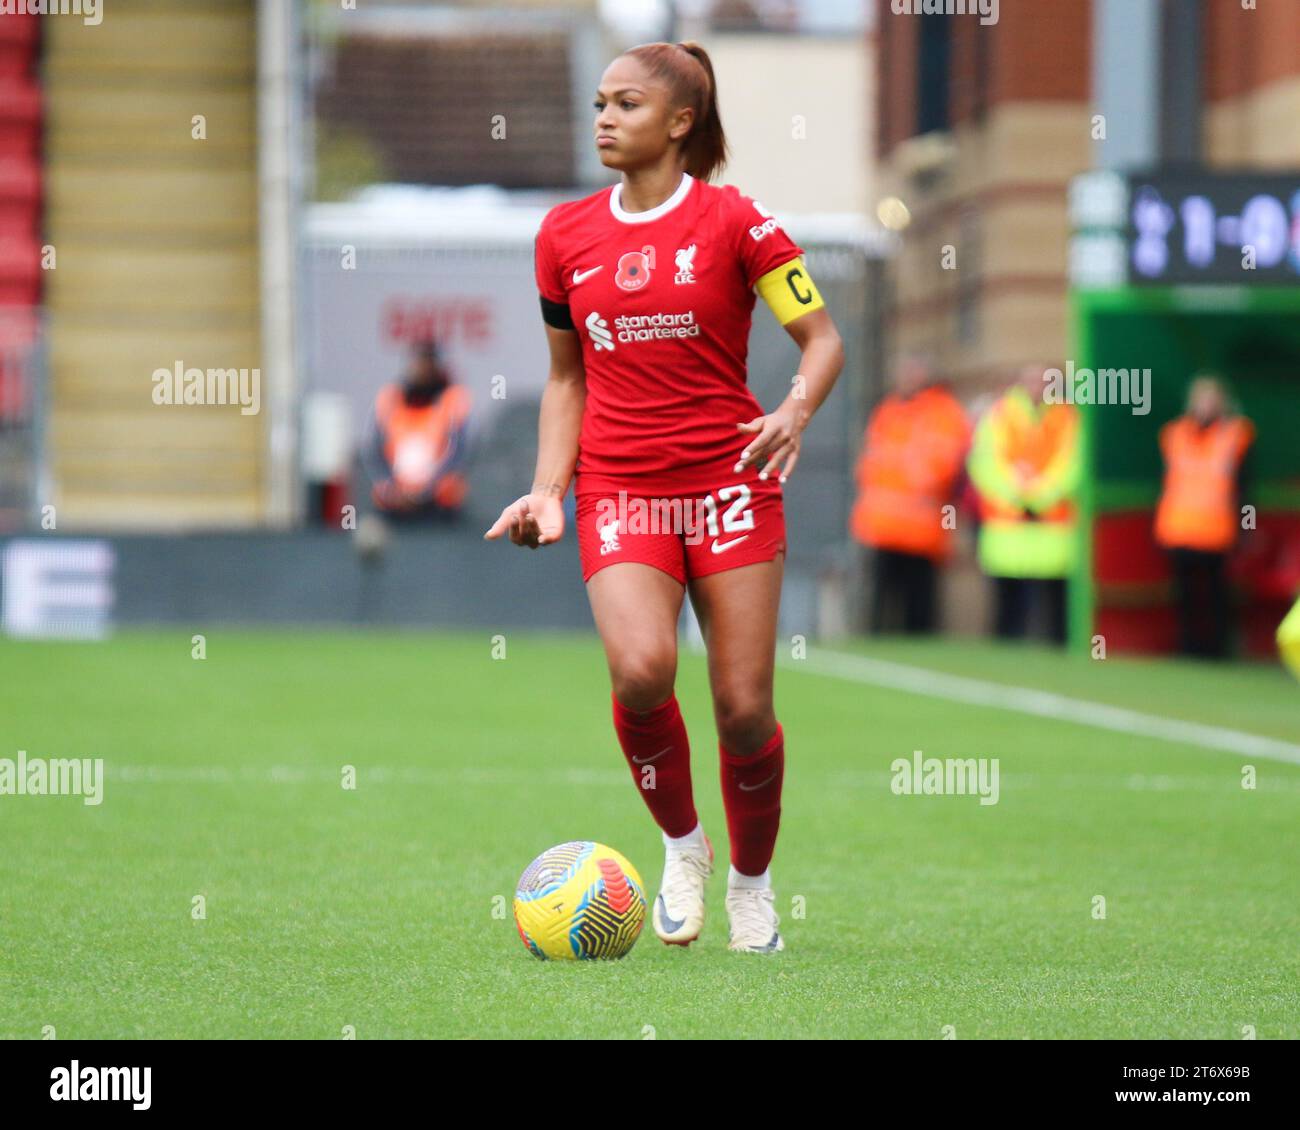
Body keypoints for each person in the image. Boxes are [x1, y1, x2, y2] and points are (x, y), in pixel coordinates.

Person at [485, 41, 844, 953]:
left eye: (628, 104)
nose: (604, 118)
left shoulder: (736, 222)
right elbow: (567, 380)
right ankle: (684, 849)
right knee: (643, 671)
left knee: (743, 708)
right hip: (621, 489)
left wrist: (796, 409)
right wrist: (547, 491)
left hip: (731, 486)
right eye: (601, 102)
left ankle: (753, 889)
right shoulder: (564, 235)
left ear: (680, 122)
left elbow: (824, 340)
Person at [849, 354, 970, 633]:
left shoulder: (943, 412)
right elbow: (871, 458)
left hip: (920, 523)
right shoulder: (888, 410)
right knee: (882, 597)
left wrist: (917, 479)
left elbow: (944, 462)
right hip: (881, 521)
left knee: (919, 598)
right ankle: (879, 636)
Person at [967, 364, 1081, 644]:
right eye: (1031, 381)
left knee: (1055, 601)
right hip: (1008, 525)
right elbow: (984, 462)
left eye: (1042, 381)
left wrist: (1040, 494)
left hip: (1052, 527)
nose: (1036, 387)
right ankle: (1005, 648)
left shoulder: (1067, 417)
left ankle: (1057, 648)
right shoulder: (1000, 416)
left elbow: (1073, 464)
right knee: (1008, 600)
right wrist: (1017, 492)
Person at [1154, 375, 1255, 658]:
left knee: (1217, 593)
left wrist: (1247, 528)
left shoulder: (1236, 434)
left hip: (1218, 530)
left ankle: (1218, 649)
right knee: (1185, 594)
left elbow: (1245, 489)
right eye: (1201, 398)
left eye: (1212, 399)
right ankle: (1188, 647)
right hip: (1178, 527)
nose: (1206, 405)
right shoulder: (1174, 434)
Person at [362, 341, 471, 524]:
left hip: (439, 508)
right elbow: (373, 451)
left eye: (428, 363)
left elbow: (460, 454)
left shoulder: (453, 400)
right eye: (419, 362)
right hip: (393, 506)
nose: (422, 369)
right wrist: (393, 488)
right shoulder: (390, 399)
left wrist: (425, 492)